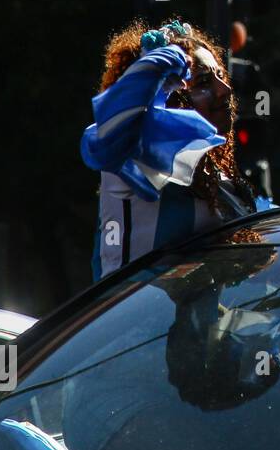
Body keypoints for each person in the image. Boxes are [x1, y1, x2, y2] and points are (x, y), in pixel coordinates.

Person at [81, 18, 267, 279]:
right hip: (133, 318)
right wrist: (157, 65)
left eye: (220, 76)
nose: (224, 90)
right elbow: (103, 137)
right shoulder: (134, 161)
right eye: (203, 83)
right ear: (170, 95)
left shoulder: (215, 177)